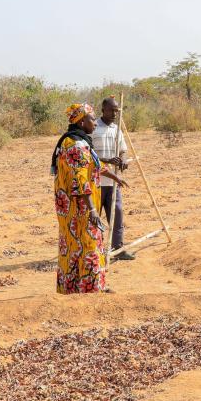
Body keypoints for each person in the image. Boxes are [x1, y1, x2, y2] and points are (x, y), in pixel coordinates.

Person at [50, 103, 125, 294]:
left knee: (74, 244)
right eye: (92, 119)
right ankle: (91, 288)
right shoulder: (76, 145)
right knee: (90, 242)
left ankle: (73, 288)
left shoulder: (77, 142)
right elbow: (80, 179)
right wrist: (92, 210)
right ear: (82, 121)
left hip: (72, 205)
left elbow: (92, 165)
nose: (95, 123)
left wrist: (114, 176)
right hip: (79, 206)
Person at [91, 97, 135, 260]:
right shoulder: (94, 127)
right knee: (95, 217)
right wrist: (107, 160)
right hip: (96, 181)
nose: (115, 114)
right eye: (112, 110)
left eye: (117, 111)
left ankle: (119, 248)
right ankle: (95, 251)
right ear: (103, 110)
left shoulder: (117, 129)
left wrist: (123, 159)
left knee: (117, 214)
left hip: (113, 182)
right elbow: (89, 154)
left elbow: (123, 149)